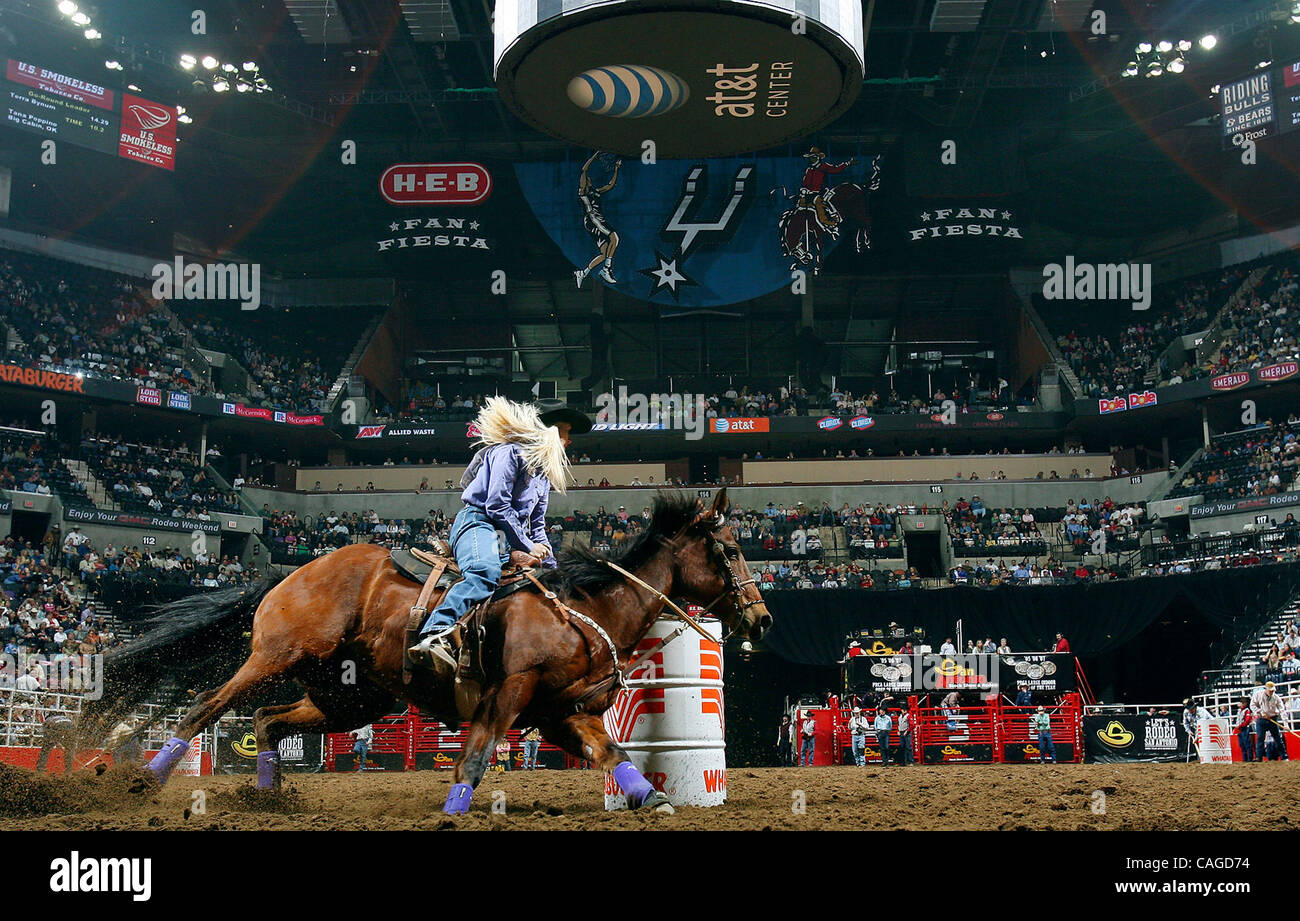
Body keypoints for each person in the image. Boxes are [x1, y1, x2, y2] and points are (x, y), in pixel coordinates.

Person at [409, 398, 590, 670]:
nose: (569, 440)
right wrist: (528, 545)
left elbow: (537, 524)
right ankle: (435, 632)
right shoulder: (508, 452)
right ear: (549, 430)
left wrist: (553, 568)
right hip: (477, 523)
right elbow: (496, 504)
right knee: (484, 571)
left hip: (508, 535)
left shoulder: (543, 475)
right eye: (565, 431)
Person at [1251, 682, 1288, 762]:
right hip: (1262, 719)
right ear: (1266, 689)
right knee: (1260, 738)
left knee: (1277, 738)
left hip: (1272, 718)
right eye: (1270, 691)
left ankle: (1284, 756)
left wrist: (1286, 724)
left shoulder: (1276, 697)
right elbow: (1252, 705)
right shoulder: (1258, 694)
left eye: (1272, 691)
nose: (1271, 692)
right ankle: (1259, 757)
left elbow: (1282, 710)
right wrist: (1260, 712)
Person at [1234, 698, 1254, 763]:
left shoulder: (1247, 711)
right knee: (1242, 744)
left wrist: (1239, 726)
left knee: (1246, 744)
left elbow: (1247, 720)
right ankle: (1245, 758)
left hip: (1245, 728)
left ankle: (1249, 758)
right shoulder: (1240, 711)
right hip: (1241, 728)